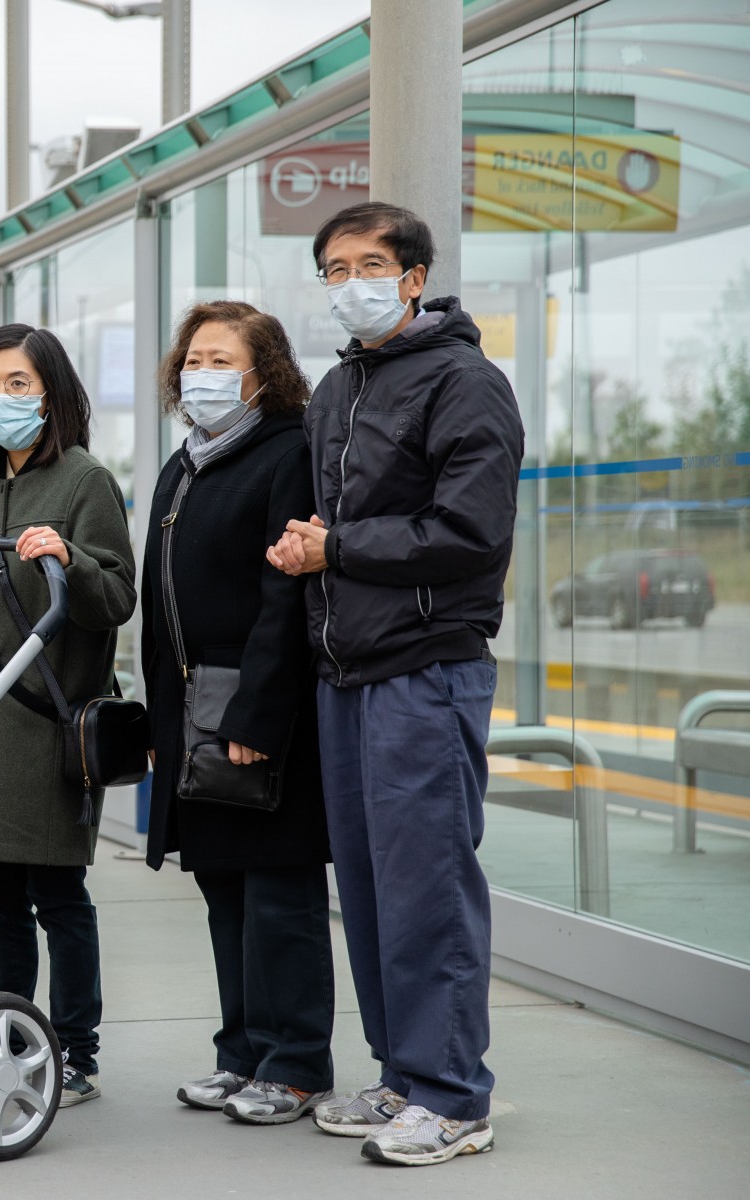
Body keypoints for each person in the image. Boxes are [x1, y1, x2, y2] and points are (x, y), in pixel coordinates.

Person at [268, 202, 524, 1166]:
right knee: (372, 891)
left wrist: (336, 548)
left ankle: (455, 1095)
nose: (350, 283)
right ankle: (401, 1077)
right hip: (349, 670)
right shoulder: (338, 388)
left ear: (414, 276)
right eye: (333, 269)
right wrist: (311, 552)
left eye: (368, 264)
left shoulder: (464, 382)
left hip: (426, 668)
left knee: (428, 890)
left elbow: (471, 534)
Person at [0, 324, 136, 1108]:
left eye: (19, 384)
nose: (1, 398)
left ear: (52, 395)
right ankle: (10, 1033)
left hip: (43, 724)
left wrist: (70, 560)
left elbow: (114, 598)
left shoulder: (84, 482)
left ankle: (74, 1050)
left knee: (59, 898)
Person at [141, 301, 334, 1126]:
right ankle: (241, 1053)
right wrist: (163, 729)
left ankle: (294, 1064)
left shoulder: (284, 453)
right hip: (192, 712)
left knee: (278, 894)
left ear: (265, 373)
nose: (200, 373)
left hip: (257, 718)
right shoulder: (183, 463)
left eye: (221, 359)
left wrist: (256, 719)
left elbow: (282, 601)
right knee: (224, 890)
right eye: (192, 358)